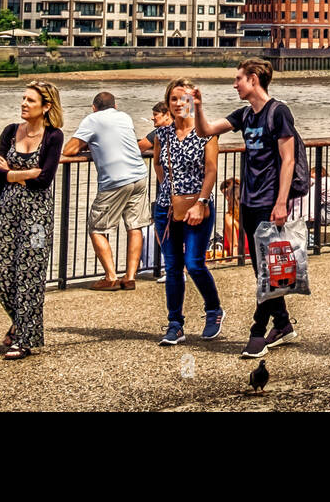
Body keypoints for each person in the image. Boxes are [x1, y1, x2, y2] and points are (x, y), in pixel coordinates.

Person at [194, 58, 300, 358]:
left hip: (269, 202)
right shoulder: (245, 116)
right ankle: (282, 324)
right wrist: (199, 106)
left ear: (254, 79)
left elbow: (288, 160)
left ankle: (257, 332)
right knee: (261, 269)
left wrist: (281, 203)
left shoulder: (278, 113)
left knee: (267, 270)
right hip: (248, 202)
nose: (234, 83)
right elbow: (206, 131)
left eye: (238, 78)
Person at [0, 80, 64, 360]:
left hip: (38, 217)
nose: (24, 104)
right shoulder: (9, 132)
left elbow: (44, 179)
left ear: (46, 107)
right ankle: (22, 322)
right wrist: (24, 173)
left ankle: (24, 339)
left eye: (31, 100)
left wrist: (12, 173)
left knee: (30, 275)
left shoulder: (54, 136)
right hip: (6, 212)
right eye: (23, 98)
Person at [153, 80, 223, 346]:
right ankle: (175, 324)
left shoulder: (206, 132)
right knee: (172, 267)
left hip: (199, 206)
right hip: (167, 208)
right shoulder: (163, 134)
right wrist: (171, 195)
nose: (179, 103)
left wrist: (200, 202)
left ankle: (214, 310)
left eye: (184, 98)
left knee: (194, 263)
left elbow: (211, 170)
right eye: (174, 99)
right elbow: (159, 164)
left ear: (194, 101)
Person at [63, 91, 151, 290]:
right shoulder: (125, 117)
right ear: (115, 105)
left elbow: (69, 150)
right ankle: (129, 277)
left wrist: (88, 145)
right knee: (134, 226)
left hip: (115, 180)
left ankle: (110, 277)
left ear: (94, 107)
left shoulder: (92, 120)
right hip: (139, 175)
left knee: (96, 228)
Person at [140, 100, 172, 281]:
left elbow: (140, 147)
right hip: (169, 186)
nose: (153, 118)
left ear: (167, 114)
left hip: (169, 188)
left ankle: (172, 268)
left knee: (166, 226)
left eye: (156, 115)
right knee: (165, 226)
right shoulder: (162, 133)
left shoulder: (158, 133)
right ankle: (172, 267)